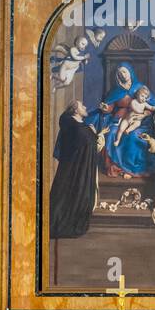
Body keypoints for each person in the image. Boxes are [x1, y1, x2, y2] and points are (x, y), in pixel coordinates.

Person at [49, 100, 104, 238]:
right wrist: (96, 135)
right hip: (75, 171)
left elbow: (87, 135)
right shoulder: (73, 125)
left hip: (79, 169)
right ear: (75, 110)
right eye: (82, 106)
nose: (85, 107)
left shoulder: (76, 124)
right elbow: (85, 139)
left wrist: (95, 130)